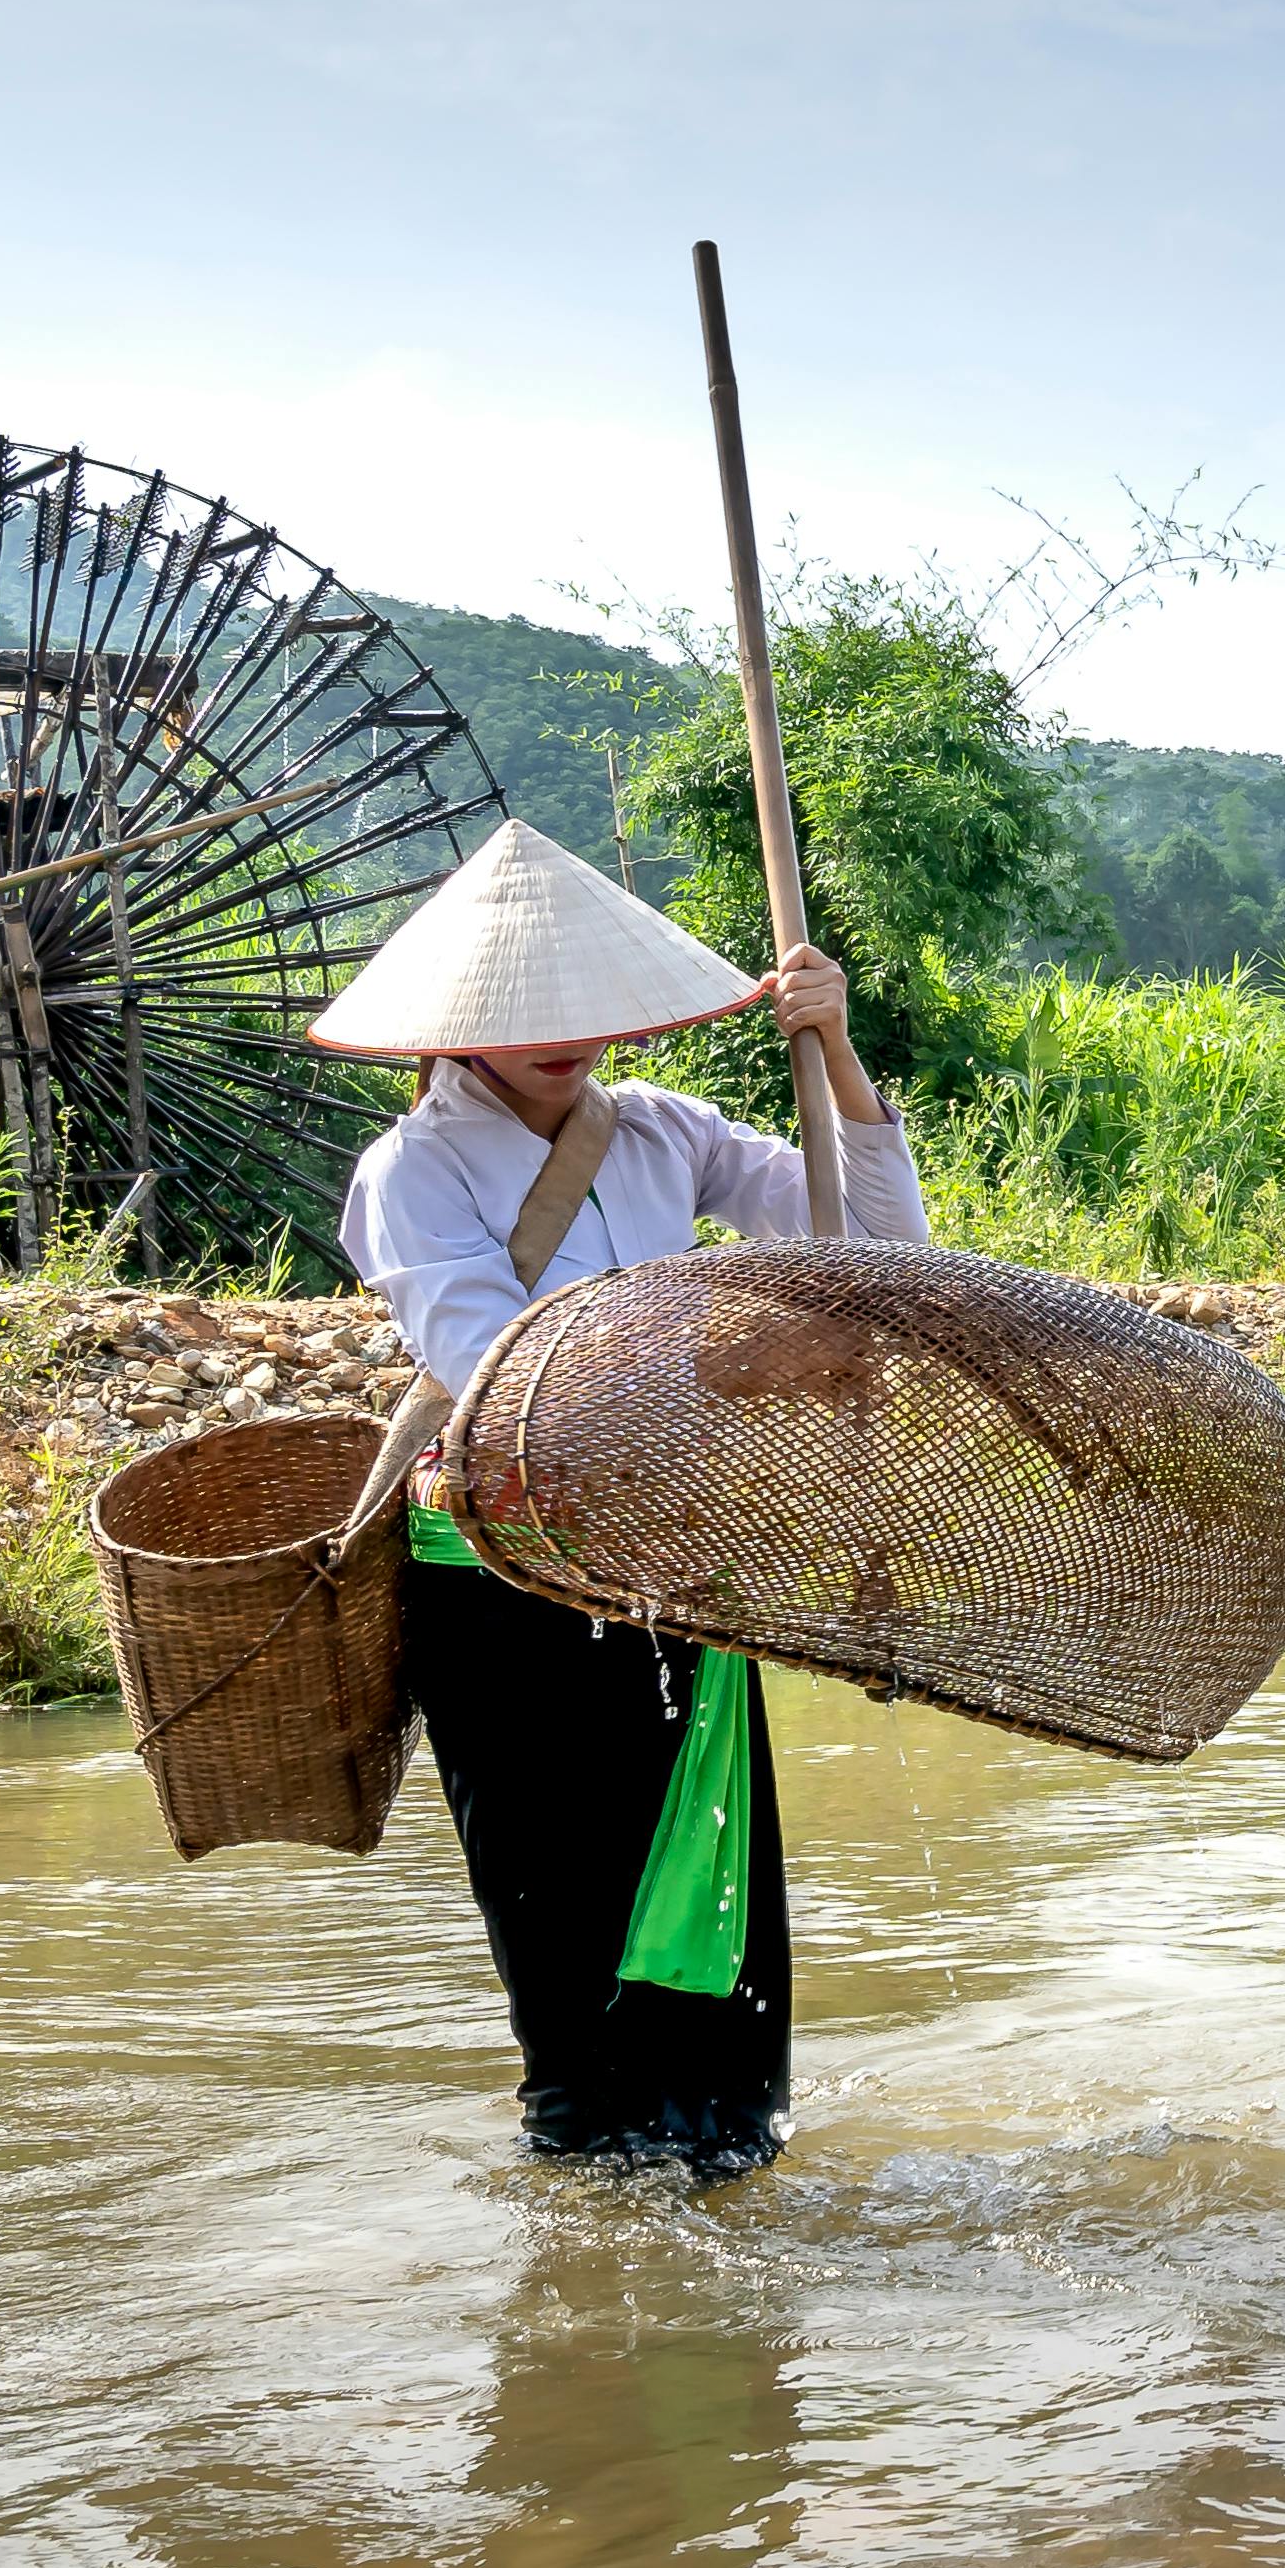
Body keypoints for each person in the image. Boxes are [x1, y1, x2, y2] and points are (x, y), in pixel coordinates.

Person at [309, 824, 931, 2172]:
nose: (565, 1037)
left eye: (585, 1009)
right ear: (460, 1026)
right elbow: (497, 1370)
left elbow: (878, 1250)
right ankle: (588, 2197)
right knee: (568, 1954)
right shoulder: (413, 1172)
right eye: (527, 1015)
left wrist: (836, 1054)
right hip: (503, 1591)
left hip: (671, 1580)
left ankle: (721, 2185)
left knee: (723, 1936)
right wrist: (733, 1360)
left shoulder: (661, 1132)